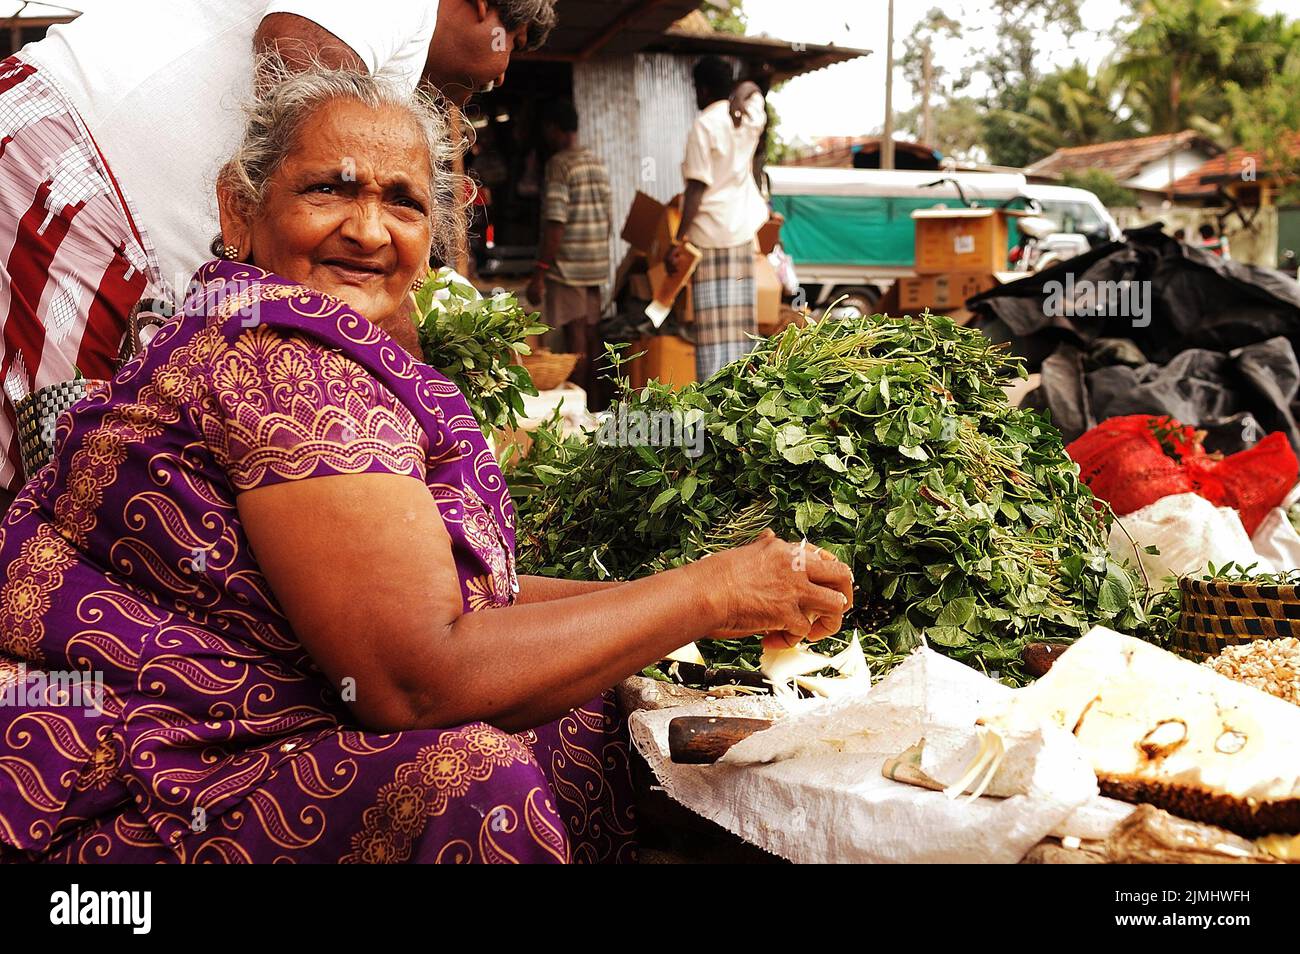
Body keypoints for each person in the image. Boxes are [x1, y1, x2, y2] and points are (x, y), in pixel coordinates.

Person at [0, 67, 854, 864]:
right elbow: (413, 680)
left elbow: (451, 599)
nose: (367, 228)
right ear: (239, 209)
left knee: (581, 706)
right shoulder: (283, 367)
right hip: (119, 770)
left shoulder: (258, 326)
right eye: (328, 187)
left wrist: (693, 614)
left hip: (190, 713)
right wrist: (709, 591)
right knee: (475, 778)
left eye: (402, 202)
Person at [0, 0, 558, 505]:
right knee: (65, 494)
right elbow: (295, 52)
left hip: (96, 197)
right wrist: (399, 360)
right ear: (485, 5)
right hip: (60, 174)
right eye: (519, 39)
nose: (506, 70)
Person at [667, 56, 770, 381]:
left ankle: (712, 399)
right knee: (741, 331)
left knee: (712, 332)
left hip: (708, 239)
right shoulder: (748, 116)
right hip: (740, 235)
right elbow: (758, 86)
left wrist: (678, 241)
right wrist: (742, 93)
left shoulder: (704, 125)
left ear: (703, 88)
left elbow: (696, 189)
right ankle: (743, 398)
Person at [526, 99, 611, 396]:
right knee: (591, 336)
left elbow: (555, 222)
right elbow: (608, 216)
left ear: (553, 129)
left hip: (570, 267)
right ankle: (598, 404)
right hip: (596, 265)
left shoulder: (559, 165)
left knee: (575, 341)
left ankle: (583, 407)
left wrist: (540, 272)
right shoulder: (596, 162)